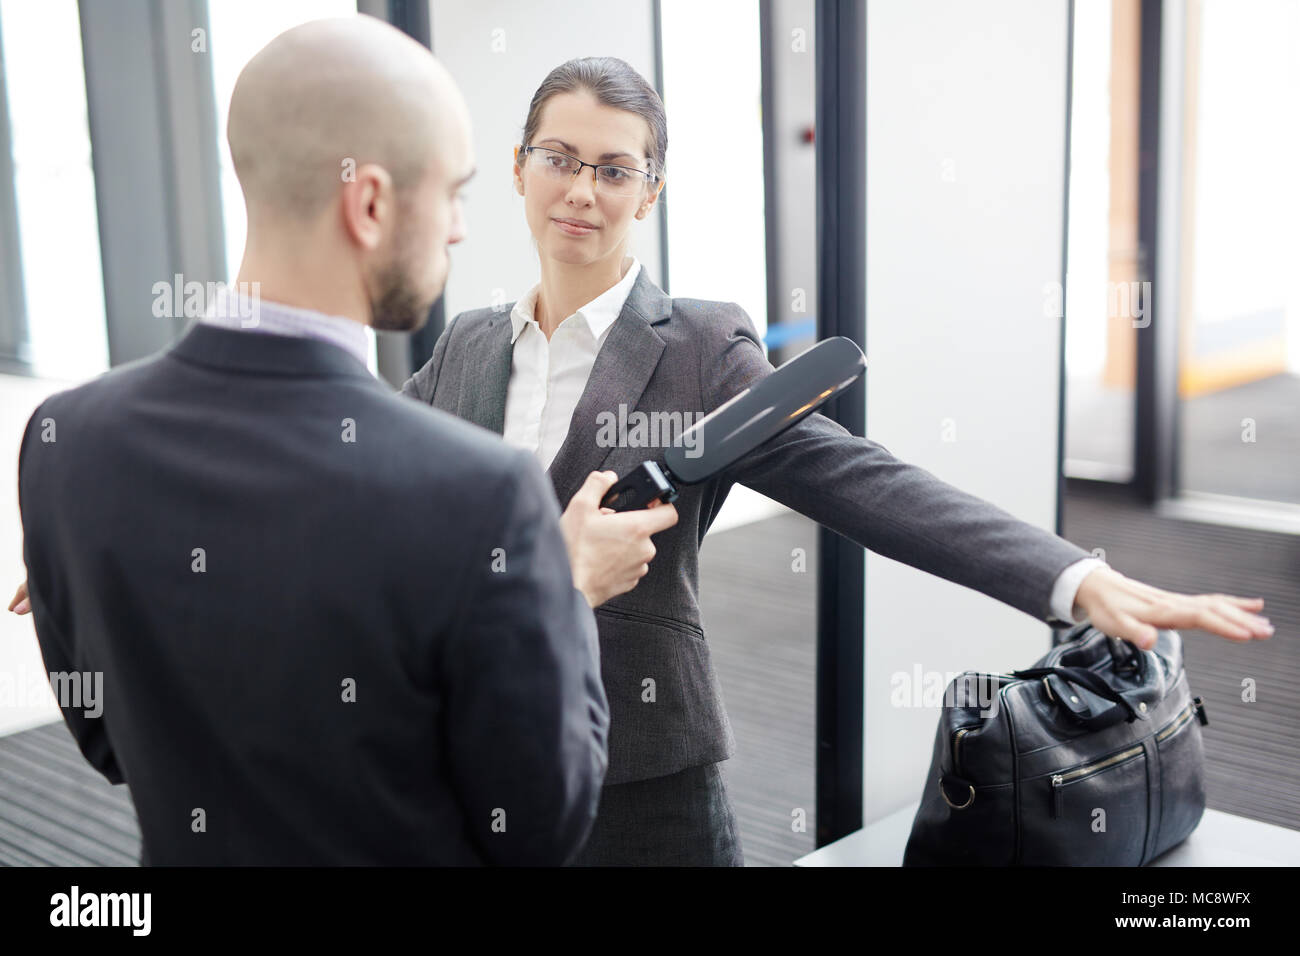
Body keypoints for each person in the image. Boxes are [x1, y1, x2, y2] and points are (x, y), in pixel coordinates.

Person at [399, 56, 1274, 866]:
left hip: (639, 768)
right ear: (518, 168)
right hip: (476, 747)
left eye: (615, 169)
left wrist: (1071, 579)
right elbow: (379, 505)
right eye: (560, 157)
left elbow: (866, 482)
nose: (582, 190)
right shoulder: (469, 347)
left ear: (650, 192)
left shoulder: (699, 347)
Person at [13, 17, 675, 865]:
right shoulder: (478, 496)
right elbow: (540, 820)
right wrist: (562, 591)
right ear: (369, 204)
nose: (459, 229)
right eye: (453, 193)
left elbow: (108, 742)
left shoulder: (67, 443)